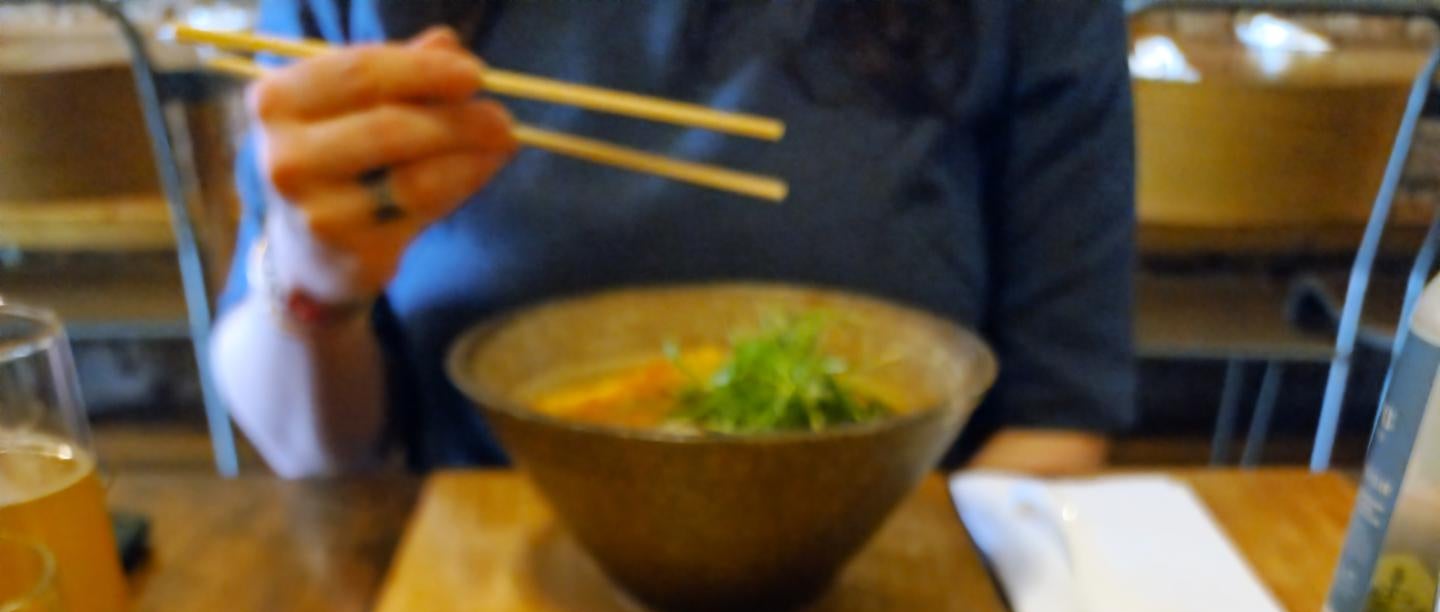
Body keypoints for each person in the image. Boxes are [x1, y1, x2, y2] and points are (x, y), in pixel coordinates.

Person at [213, 1, 1136, 478]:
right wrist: (314, 282)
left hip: (886, 602)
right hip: (472, 600)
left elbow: (1056, 424)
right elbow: (314, 457)